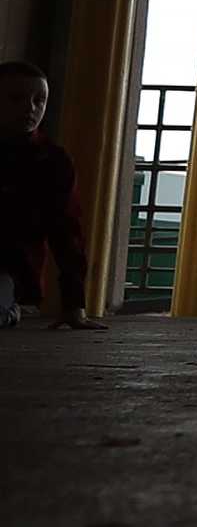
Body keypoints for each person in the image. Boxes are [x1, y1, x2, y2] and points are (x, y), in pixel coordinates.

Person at [0, 60, 106, 330]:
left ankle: (11, 308)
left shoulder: (51, 161)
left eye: (40, 100)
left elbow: (66, 231)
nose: (31, 108)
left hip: (10, 271)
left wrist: (74, 305)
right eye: (16, 98)